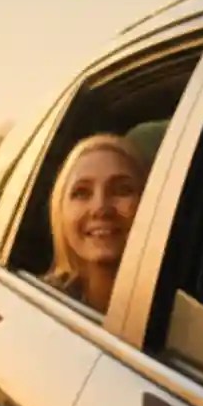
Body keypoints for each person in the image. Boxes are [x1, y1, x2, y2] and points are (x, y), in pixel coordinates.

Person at [43, 134, 147, 313]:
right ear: (60, 211)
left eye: (122, 190)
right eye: (82, 193)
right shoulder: (42, 310)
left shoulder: (184, 309)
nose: (101, 208)